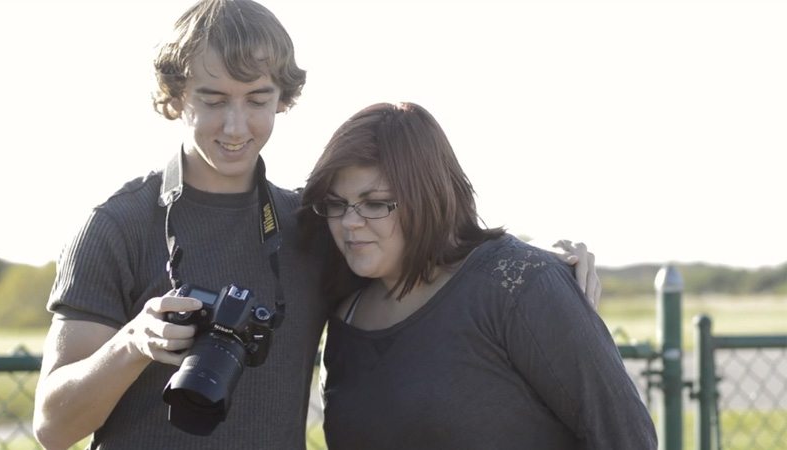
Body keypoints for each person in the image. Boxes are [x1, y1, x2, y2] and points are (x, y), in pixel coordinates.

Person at [32, 1, 600, 449]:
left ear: (284, 99)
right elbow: (53, 428)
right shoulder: (116, 226)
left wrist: (548, 265)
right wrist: (134, 343)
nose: (236, 125)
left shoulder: (315, 223)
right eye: (213, 99)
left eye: (257, 99)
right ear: (177, 96)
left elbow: (434, 244)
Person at [299, 102, 656, 450]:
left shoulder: (519, 284)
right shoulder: (346, 315)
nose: (349, 222)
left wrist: (540, 267)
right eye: (336, 204)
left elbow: (624, 435)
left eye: (375, 203)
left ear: (428, 196)